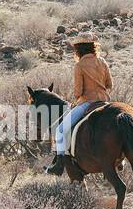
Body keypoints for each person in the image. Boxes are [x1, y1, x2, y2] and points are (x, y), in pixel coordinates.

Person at [47, 33, 112, 175]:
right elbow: (109, 84)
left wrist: (77, 98)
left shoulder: (79, 65)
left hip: (87, 103)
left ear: (78, 48)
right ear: (93, 46)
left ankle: (59, 165)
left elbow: (78, 91)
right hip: (105, 101)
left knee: (60, 131)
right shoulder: (102, 62)